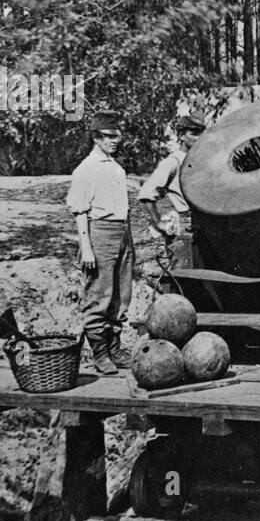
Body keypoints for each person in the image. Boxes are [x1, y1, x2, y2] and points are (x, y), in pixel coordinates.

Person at [66, 113, 135, 375]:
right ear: (96, 137)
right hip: (100, 232)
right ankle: (100, 352)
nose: (116, 141)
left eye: (118, 135)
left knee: (121, 293)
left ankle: (114, 348)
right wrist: (86, 246)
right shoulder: (86, 169)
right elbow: (80, 211)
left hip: (123, 232)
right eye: (109, 136)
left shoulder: (116, 168)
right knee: (99, 294)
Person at [138, 112, 205, 279]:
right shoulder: (173, 162)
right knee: (183, 276)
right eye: (194, 133)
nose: (199, 138)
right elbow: (147, 193)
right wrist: (159, 222)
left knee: (205, 275)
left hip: (203, 225)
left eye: (201, 133)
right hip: (183, 227)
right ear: (181, 135)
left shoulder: (203, 159)